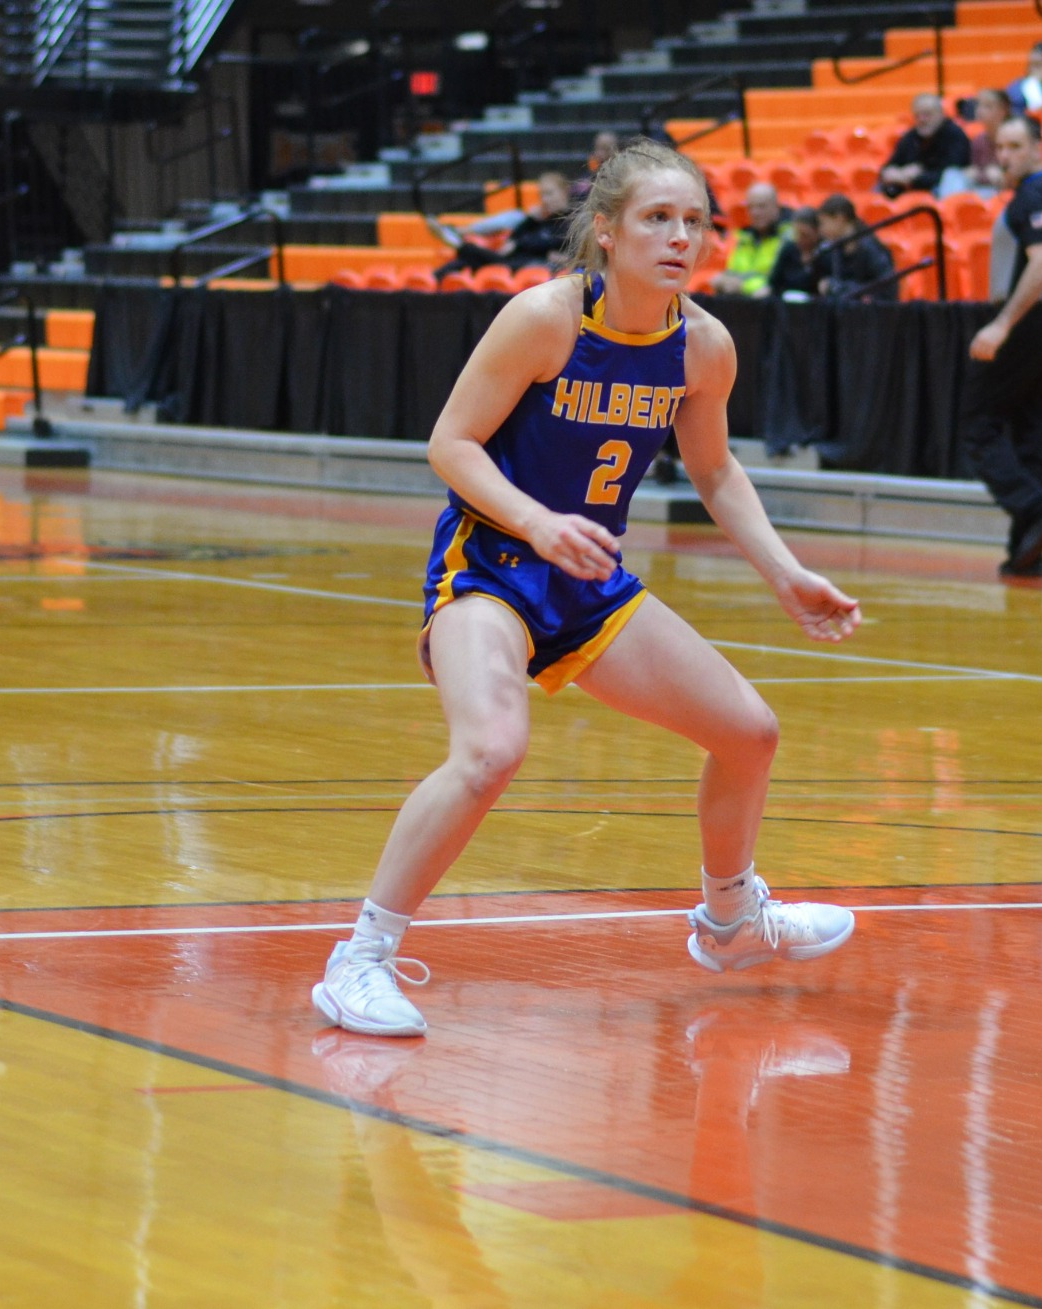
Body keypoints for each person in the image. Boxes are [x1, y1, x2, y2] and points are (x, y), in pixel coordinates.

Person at [310, 138, 863, 1038]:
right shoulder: (546, 318)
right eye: (657, 218)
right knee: (491, 750)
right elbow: (450, 445)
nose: (680, 236)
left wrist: (785, 572)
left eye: (695, 221)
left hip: (589, 582)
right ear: (606, 232)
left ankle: (729, 922)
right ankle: (359, 961)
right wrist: (537, 522)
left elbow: (716, 473)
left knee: (750, 732)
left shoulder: (703, 345)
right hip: (490, 566)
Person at [963, 116, 1042, 580]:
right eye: (999, 147)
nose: (1004, 155)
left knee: (977, 426)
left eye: (1014, 146)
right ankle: (1028, 551)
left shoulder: (1033, 194)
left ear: (1038, 150)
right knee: (1031, 434)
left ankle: (1035, 506)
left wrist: (1003, 323)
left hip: (1031, 319)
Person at [428, 170, 574, 274]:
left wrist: (520, 244)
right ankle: (432, 280)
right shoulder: (541, 219)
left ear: (564, 191)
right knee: (468, 261)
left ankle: (457, 242)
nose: (544, 199)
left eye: (549, 193)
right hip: (516, 260)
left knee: (472, 253)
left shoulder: (571, 219)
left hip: (534, 266)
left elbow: (550, 243)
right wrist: (530, 220)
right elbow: (514, 237)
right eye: (541, 194)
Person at [878, 93, 973, 199]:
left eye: (927, 114)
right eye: (917, 115)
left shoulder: (954, 135)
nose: (922, 119)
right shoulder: (911, 136)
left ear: (941, 114)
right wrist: (896, 174)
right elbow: (890, 166)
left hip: (943, 192)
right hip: (910, 189)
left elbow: (952, 173)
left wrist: (915, 177)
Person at [815, 193, 899, 301]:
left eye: (823, 223)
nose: (821, 230)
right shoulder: (837, 248)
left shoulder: (871, 248)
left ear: (840, 218)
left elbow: (887, 291)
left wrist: (835, 287)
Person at [711, 182, 788, 297]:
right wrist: (725, 281)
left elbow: (777, 282)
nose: (755, 212)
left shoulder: (787, 238)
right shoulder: (744, 237)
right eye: (751, 207)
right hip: (743, 298)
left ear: (776, 207)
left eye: (761, 206)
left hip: (771, 303)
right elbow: (733, 271)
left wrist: (743, 286)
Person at [939, 88, 1012, 197]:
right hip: (982, 188)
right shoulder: (979, 140)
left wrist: (1004, 176)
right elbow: (975, 172)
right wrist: (976, 173)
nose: (980, 110)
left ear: (1003, 110)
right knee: (951, 174)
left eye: (987, 106)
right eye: (979, 105)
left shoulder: (1014, 137)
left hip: (1005, 193)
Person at [769, 206, 824, 297]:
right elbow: (774, 282)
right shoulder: (789, 249)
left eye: (805, 235)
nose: (800, 239)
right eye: (797, 233)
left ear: (817, 232)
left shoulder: (826, 252)